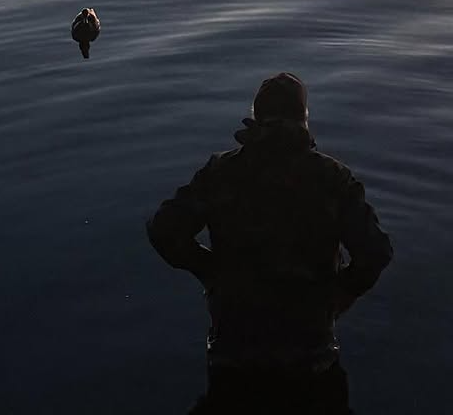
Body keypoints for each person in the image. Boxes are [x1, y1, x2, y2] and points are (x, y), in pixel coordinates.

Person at [148, 73, 393, 413]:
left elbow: (164, 229)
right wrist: (341, 295)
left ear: (256, 115)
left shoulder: (221, 173)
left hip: (233, 359)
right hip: (311, 361)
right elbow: (376, 252)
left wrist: (210, 272)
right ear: (304, 118)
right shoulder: (333, 179)